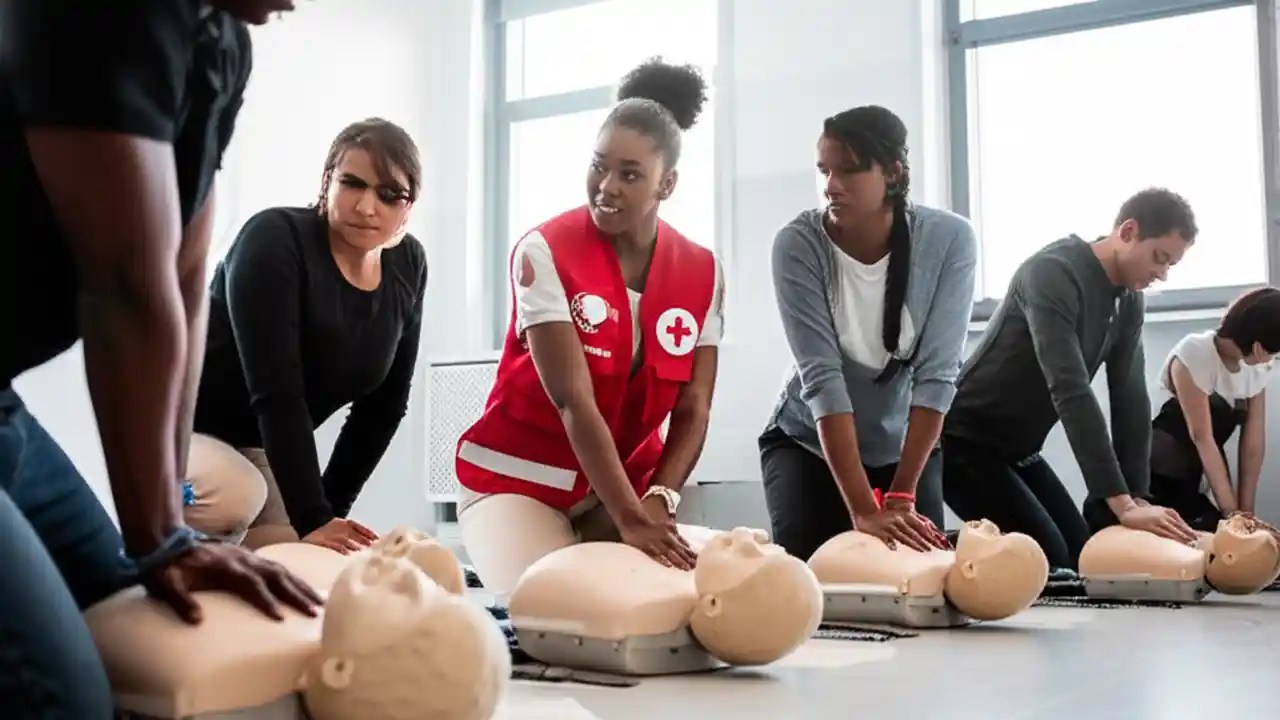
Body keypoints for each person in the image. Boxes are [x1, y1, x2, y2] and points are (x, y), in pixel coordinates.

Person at [0, 2, 321, 718]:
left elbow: (181, 280)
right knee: (65, 695)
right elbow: (123, 293)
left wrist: (166, 525)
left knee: (131, 619)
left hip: (4, 410)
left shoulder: (223, 41)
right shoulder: (102, 16)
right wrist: (161, 542)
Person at [455, 58, 725, 594]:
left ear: (666, 184)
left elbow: (694, 406)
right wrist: (630, 520)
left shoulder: (703, 271)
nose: (607, 186)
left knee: (710, 584)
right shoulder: (544, 251)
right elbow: (574, 400)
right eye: (599, 166)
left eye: (630, 174)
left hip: (619, 490)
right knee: (559, 602)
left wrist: (660, 499)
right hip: (518, 481)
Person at [190, 118, 427, 553]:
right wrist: (312, 516)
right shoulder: (273, 239)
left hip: (261, 448)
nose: (366, 206)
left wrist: (328, 513)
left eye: (389, 194)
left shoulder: (408, 264)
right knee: (237, 494)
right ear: (327, 182)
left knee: (304, 566)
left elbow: (384, 408)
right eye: (352, 184)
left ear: (408, 206)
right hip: (186, 433)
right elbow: (277, 392)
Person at [941, 188, 1201, 572]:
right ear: (1128, 231)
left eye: (1170, 266)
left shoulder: (1129, 299)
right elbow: (1070, 389)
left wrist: (1137, 496)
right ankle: (931, 549)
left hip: (1019, 452)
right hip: (963, 443)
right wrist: (1121, 504)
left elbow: (1129, 396)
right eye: (1159, 258)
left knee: (1080, 555)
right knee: (1050, 559)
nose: (1161, 274)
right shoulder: (1052, 272)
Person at [759, 105, 972, 560]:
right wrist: (863, 509)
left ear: (892, 173)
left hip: (903, 448)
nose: (831, 185)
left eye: (849, 171)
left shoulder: (949, 240)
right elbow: (822, 380)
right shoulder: (797, 245)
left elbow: (938, 376)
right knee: (814, 581)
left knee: (920, 574)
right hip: (807, 443)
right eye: (824, 170)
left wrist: (900, 498)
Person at [1142, 288, 1279, 532]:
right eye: (1273, 352)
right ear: (1259, 346)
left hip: (1200, 469)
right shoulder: (1195, 352)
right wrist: (1231, 514)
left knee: (1239, 543)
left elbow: (1253, 445)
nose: (1272, 360)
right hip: (1161, 469)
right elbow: (1202, 437)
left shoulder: (1257, 369)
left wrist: (1247, 515)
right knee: (1206, 541)